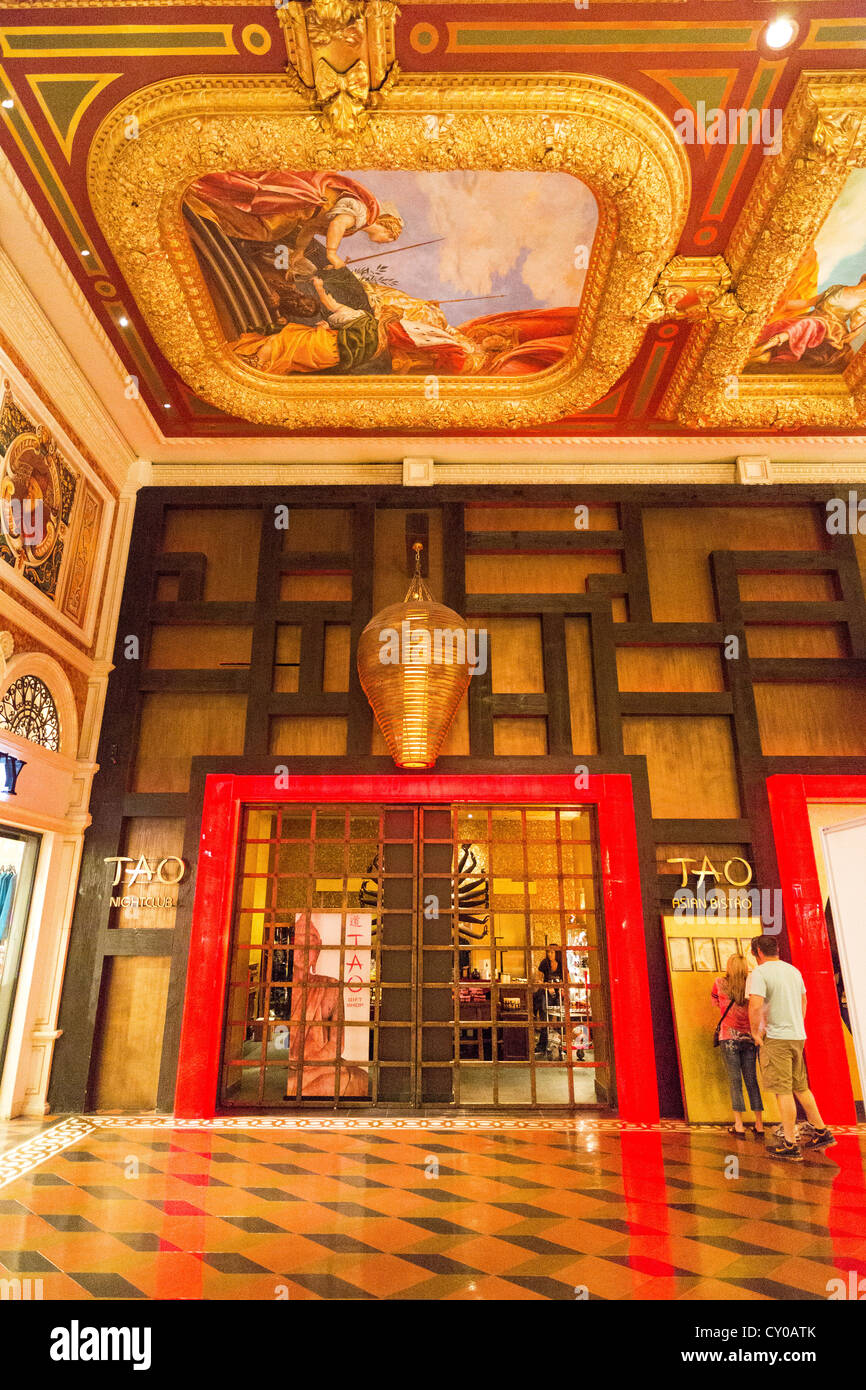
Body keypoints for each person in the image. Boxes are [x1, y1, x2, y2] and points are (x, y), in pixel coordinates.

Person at [748, 934, 836, 1162]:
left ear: (758, 952)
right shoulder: (793, 971)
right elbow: (804, 1001)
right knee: (800, 1086)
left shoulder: (759, 973)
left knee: (783, 1090)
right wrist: (796, 1022)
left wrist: (756, 1032)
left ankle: (789, 1143)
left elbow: (755, 1005)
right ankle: (821, 1131)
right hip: (797, 1035)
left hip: (777, 1037)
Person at [712, 954, 764, 1137]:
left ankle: (739, 1124)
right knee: (752, 1080)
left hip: (728, 1037)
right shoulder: (751, 985)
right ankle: (759, 1124)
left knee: (735, 1081)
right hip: (749, 1037)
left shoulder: (719, 983)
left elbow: (714, 1002)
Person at [533, 944, 563, 1055]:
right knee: (545, 1019)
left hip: (559, 995)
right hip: (546, 994)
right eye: (548, 952)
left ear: (557, 953)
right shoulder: (544, 963)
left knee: (561, 1020)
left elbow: (567, 979)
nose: (549, 954)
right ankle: (542, 1046)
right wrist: (547, 986)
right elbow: (538, 980)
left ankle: (561, 1045)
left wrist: (561, 988)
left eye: (552, 952)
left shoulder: (562, 964)